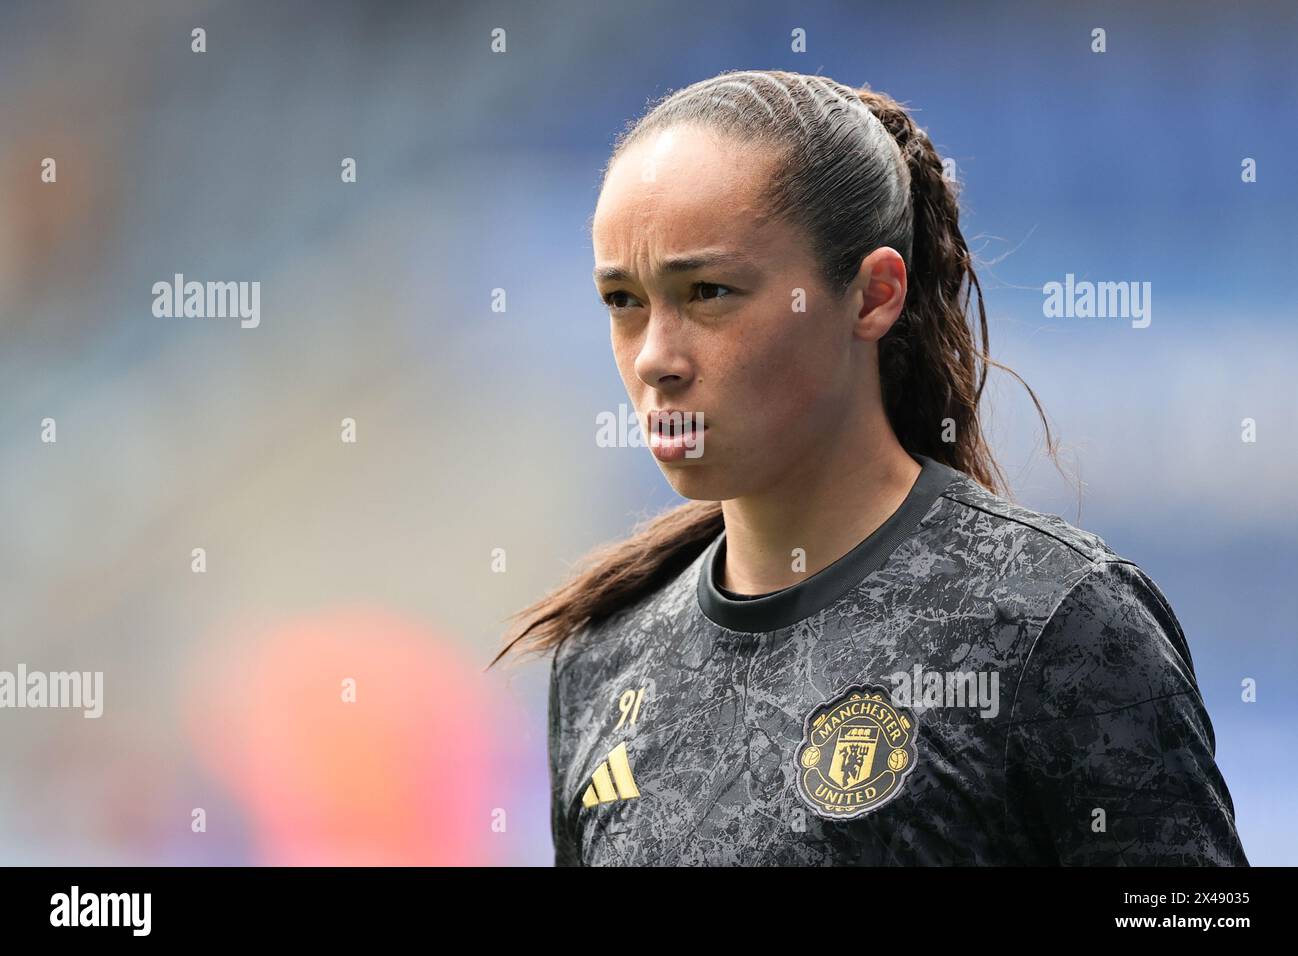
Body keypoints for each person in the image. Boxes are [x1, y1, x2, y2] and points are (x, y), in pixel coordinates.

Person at [490, 69, 1248, 866]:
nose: (655, 359)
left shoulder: (1054, 624)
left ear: (872, 296)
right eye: (623, 301)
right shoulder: (603, 661)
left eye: (709, 291)